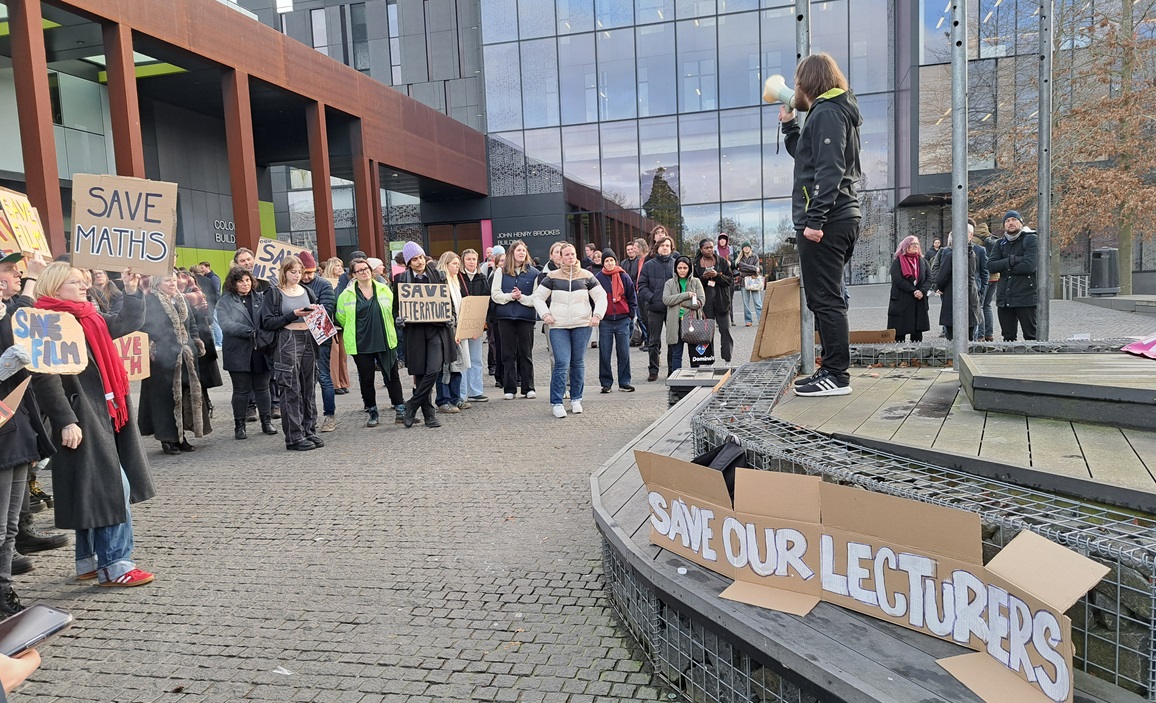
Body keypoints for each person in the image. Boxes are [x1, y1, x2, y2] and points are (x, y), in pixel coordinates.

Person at [31, 262, 156, 587]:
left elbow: (127, 322)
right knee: (113, 488)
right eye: (75, 282)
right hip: (81, 415)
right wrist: (65, 421)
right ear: (55, 287)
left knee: (91, 489)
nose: (84, 285)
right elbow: (46, 377)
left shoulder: (87, 315)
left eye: (84, 280)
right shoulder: (48, 320)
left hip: (104, 411)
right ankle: (116, 565)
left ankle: (88, 562)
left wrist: (131, 291)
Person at [780, 52, 862, 398]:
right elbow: (808, 157)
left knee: (825, 298)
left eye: (797, 82)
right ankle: (831, 369)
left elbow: (828, 171)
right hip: (838, 216)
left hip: (828, 220)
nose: (793, 89)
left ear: (808, 83)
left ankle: (835, 374)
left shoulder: (828, 112)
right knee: (826, 296)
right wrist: (790, 125)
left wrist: (815, 221)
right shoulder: (829, 112)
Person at [138, 271, 211, 455]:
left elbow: (192, 324)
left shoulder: (182, 299)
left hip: (185, 356)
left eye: (173, 279)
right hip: (162, 358)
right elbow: (144, 327)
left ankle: (181, 436)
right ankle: (167, 438)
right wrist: (152, 348)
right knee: (164, 399)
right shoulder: (151, 301)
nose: (172, 283)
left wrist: (195, 342)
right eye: (167, 280)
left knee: (184, 395)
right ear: (157, 282)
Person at [532, 243, 606, 419]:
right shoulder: (552, 276)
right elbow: (538, 297)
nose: (570, 257)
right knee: (561, 363)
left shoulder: (587, 276)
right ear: (560, 257)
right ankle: (557, 402)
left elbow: (601, 296)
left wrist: (597, 315)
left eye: (573, 254)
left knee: (578, 362)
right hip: (558, 326)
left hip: (582, 324)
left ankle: (576, 399)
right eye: (566, 255)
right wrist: (545, 314)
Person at [259, 256, 324, 450]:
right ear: (284, 272)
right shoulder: (274, 293)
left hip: (308, 339)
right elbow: (268, 322)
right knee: (290, 387)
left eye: (299, 272)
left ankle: (309, 429)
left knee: (309, 386)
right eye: (293, 272)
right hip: (287, 340)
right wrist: (292, 314)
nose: (297, 275)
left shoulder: (308, 291)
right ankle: (294, 436)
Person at [335, 257, 406, 427]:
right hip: (361, 342)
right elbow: (341, 317)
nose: (365, 272)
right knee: (366, 379)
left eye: (366, 268)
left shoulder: (383, 289)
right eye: (360, 270)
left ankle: (400, 409)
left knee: (392, 375)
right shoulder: (346, 294)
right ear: (353, 274)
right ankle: (373, 411)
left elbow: (393, 310)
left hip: (384, 339)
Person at [394, 242, 455, 429]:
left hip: (436, 329)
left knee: (434, 369)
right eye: (414, 259)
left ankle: (411, 405)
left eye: (420, 257)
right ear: (408, 262)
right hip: (415, 331)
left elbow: (447, 300)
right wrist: (398, 318)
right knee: (420, 372)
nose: (419, 262)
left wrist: (450, 314)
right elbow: (396, 307)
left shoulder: (438, 275)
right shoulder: (401, 279)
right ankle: (429, 414)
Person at [217, 267, 278, 440]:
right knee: (241, 390)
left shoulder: (260, 298)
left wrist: (263, 335)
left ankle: (266, 422)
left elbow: (268, 319)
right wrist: (249, 332)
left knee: (263, 388)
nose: (245, 284)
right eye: (241, 281)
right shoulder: (225, 301)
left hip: (260, 350)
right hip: (238, 350)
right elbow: (225, 324)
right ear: (233, 283)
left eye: (247, 280)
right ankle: (240, 425)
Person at [490, 240, 539, 400]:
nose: (521, 253)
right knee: (507, 354)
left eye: (524, 251)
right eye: (518, 250)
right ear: (512, 253)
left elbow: (536, 298)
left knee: (526, 353)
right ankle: (509, 388)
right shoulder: (500, 272)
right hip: (505, 318)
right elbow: (495, 295)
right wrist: (510, 296)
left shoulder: (534, 273)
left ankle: (528, 387)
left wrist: (521, 298)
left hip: (525, 318)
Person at [298, 253, 338, 432]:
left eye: (310, 273)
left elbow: (327, 308)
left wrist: (302, 312)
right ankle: (307, 416)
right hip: (299, 337)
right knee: (304, 380)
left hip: (321, 335)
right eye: (303, 273)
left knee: (323, 377)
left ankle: (330, 415)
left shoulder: (324, 284)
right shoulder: (293, 285)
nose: (306, 276)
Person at [178, 269, 223, 419]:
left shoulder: (197, 296)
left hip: (201, 338)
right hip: (186, 339)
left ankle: (206, 405)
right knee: (193, 377)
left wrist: (196, 310)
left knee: (202, 376)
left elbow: (208, 317)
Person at [987, 210, 1039, 342]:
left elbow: (1029, 266)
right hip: (1004, 298)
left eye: (1014, 220)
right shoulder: (1000, 243)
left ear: (1021, 223)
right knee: (1008, 338)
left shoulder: (1031, 239)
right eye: (1007, 221)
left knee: (1032, 337)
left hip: (1026, 297)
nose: (1011, 223)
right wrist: (1011, 261)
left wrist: (1004, 267)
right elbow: (991, 266)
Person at [593, 250, 636, 393]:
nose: (609, 263)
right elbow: (593, 298)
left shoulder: (624, 276)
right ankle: (606, 383)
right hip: (605, 320)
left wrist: (631, 315)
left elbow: (631, 296)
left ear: (616, 261)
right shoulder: (598, 278)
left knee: (624, 352)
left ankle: (624, 382)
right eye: (606, 261)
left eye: (612, 260)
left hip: (623, 319)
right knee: (605, 352)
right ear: (603, 263)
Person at [434, 252, 472, 413]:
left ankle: (456, 397)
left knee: (457, 365)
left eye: (458, 264)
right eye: (455, 264)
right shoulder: (442, 283)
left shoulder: (456, 283)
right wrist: (452, 330)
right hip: (447, 331)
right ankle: (444, 399)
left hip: (457, 331)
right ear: (446, 264)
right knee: (445, 368)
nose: (458, 267)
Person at [637, 237, 677, 381]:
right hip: (654, 308)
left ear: (671, 248)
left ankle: (672, 370)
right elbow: (641, 285)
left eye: (668, 245)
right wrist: (652, 298)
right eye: (662, 245)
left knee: (672, 340)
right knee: (653, 341)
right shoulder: (649, 265)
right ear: (657, 247)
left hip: (672, 308)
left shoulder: (676, 264)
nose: (665, 248)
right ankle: (653, 370)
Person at [692, 238, 733, 363]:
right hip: (706, 305)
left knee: (725, 331)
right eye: (706, 248)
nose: (709, 250)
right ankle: (708, 360)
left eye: (711, 247)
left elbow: (729, 280)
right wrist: (703, 278)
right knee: (707, 334)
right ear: (701, 250)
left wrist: (717, 275)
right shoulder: (696, 264)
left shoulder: (722, 262)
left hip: (722, 303)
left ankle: (727, 359)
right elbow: (693, 284)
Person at [662, 257, 705, 373]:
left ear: (689, 268)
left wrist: (679, 302)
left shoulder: (696, 282)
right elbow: (666, 300)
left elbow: (700, 302)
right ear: (675, 269)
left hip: (692, 322)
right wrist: (686, 295)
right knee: (676, 354)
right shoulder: (669, 283)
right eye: (679, 268)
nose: (682, 270)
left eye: (685, 268)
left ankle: (695, 379)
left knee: (694, 354)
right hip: (675, 323)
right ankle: (676, 382)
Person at [935, 232, 981, 342]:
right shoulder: (972, 254)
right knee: (969, 337)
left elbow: (942, 277)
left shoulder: (951, 255)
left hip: (953, 296)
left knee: (952, 338)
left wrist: (939, 287)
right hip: (971, 296)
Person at [887, 236, 932, 342]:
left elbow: (929, 278)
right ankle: (899, 357)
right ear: (906, 246)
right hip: (902, 301)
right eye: (913, 244)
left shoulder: (923, 261)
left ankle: (916, 357)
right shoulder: (897, 262)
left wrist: (922, 291)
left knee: (917, 334)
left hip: (918, 301)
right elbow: (898, 280)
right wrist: (913, 291)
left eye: (917, 244)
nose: (916, 246)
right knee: (899, 333)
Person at [459, 249, 489, 404]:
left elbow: (486, 301)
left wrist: (481, 325)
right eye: (468, 259)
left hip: (476, 323)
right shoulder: (458, 278)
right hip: (461, 323)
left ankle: (475, 390)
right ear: (463, 261)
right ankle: (462, 392)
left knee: (476, 358)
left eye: (474, 259)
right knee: (463, 358)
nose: (471, 262)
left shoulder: (481, 278)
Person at [321, 257, 351, 395]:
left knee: (343, 354)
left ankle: (343, 382)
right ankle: (335, 383)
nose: (340, 268)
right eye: (337, 266)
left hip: (341, 322)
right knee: (334, 353)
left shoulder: (342, 283)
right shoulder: (325, 283)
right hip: (329, 323)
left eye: (341, 265)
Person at [736, 243, 763, 326]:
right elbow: (741, 267)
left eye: (748, 247)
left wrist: (750, 269)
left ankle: (761, 320)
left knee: (758, 302)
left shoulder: (755, 257)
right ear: (742, 249)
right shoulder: (740, 258)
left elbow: (757, 270)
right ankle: (748, 320)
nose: (746, 248)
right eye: (745, 247)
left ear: (750, 248)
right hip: (744, 281)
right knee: (745, 303)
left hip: (754, 280)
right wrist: (754, 268)